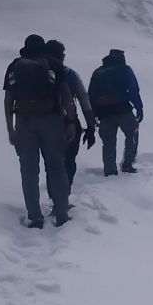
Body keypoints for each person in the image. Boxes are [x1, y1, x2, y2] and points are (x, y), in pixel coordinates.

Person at [3, 34, 78, 228]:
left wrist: (10, 129)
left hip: (24, 122)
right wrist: (71, 122)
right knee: (56, 167)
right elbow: (67, 95)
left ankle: (35, 216)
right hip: (52, 121)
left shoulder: (15, 66)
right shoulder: (53, 64)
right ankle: (61, 214)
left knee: (29, 171)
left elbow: (8, 100)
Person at [45, 39, 96, 193]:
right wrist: (91, 127)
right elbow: (83, 99)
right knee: (68, 161)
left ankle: (54, 196)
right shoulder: (70, 73)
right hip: (69, 122)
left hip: (43, 123)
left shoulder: (37, 71)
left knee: (51, 164)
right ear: (61, 56)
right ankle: (63, 196)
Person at [87, 49, 143, 176]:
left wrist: (93, 114)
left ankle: (110, 170)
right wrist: (139, 107)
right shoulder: (125, 69)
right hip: (123, 110)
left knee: (108, 143)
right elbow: (134, 89)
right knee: (132, 133)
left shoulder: (98, 72)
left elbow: (91, 95)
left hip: (104, 113)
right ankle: (128, 164)